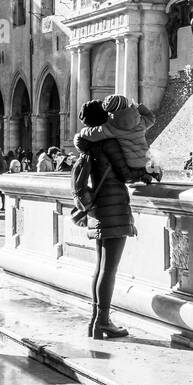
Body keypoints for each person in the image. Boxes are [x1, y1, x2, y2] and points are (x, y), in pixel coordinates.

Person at [74, 100, 136, 340]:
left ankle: (96, 321)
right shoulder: (109, 144)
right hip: (114, 209)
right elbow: (126, 174)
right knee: (109, 270)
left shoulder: (87, 145)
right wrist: (148, 172)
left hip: (98, 209)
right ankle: (103, 322)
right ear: (104, 119)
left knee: (100, 268)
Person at [78, 94, 155, 183]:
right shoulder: (140, 121)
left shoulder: (111, 126)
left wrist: (83, 131)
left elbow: (92, 133)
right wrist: (139, 107)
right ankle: (148, 173)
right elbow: (151, 118)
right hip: (146, 160)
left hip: (131, 164)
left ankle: (139, 176)